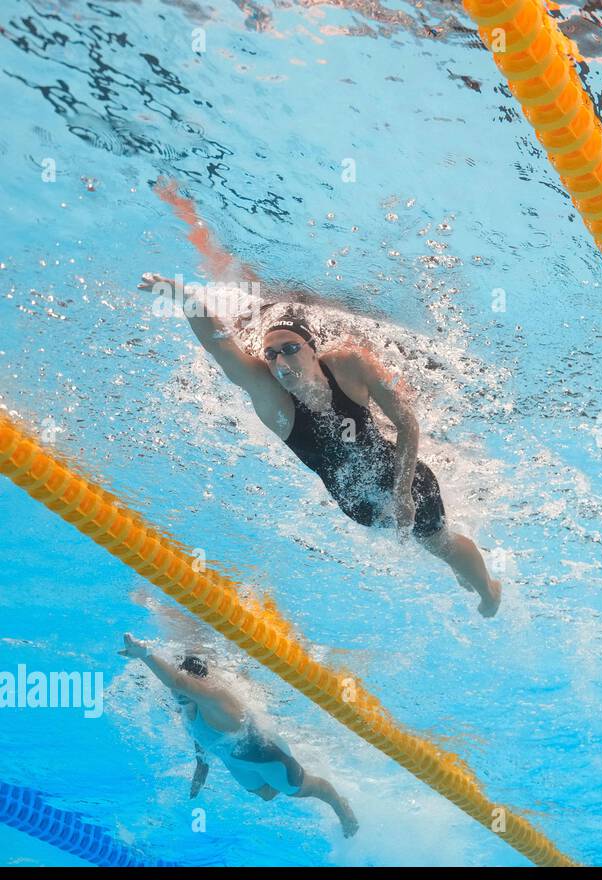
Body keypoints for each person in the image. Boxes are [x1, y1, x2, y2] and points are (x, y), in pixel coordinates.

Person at [139, 177, 501, 616]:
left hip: (407, 481)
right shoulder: (272, 401)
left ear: (313, 349)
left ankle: (487, 591)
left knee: (438, 543)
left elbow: (406, 423)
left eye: (290, 349)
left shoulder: (349, 365)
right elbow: (221, 347)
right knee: (428, 547)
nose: (280, 361)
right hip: (359, 506)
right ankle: (463, 570)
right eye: (271, 354)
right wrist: (184, 298)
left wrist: (404, 493)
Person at [120, 631, 359, 837]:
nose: (177, 694)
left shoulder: (214, 698)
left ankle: (341, 806)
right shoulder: (185, 705)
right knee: (266, 795)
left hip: (267, 757)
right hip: (235, 760)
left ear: (199, 685)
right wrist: (201, 767)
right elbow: (198, 732)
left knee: (301, 789)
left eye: (184, 689)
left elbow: (178, 681)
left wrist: (145, 655)